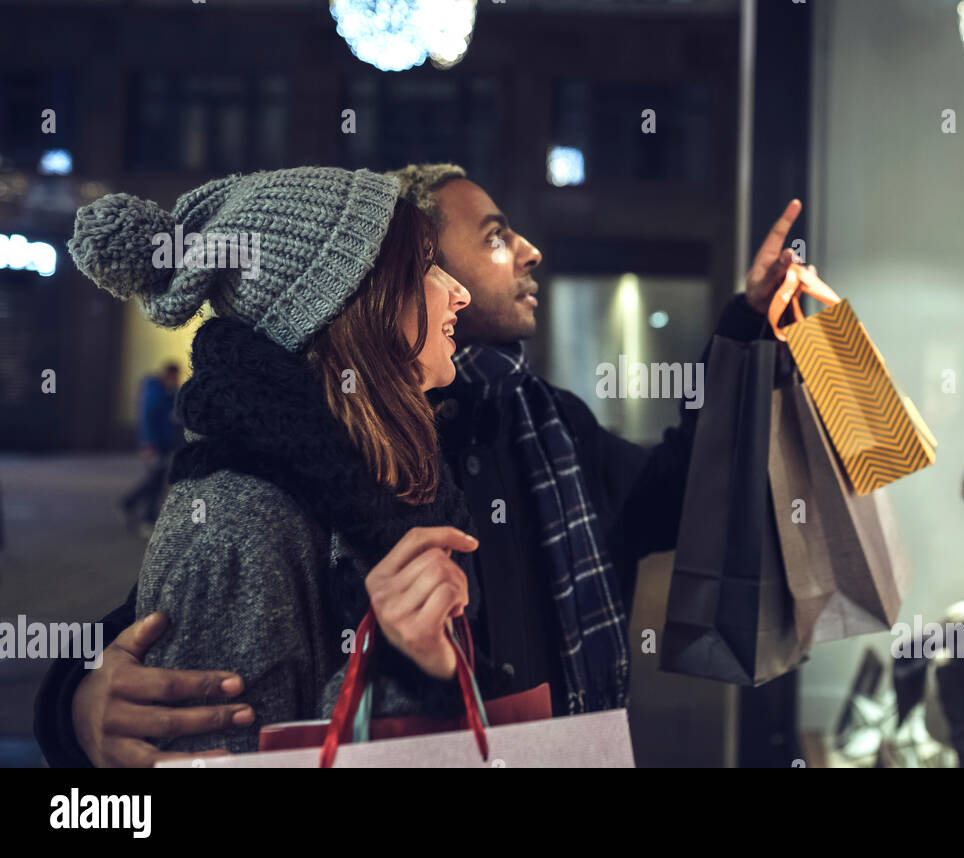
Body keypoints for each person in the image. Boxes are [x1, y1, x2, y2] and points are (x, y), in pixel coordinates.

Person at [36, 162, 803, 766]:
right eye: (494, 236)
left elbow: (669, 499)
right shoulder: (331, 450)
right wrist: (76, 698)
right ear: (372, 286)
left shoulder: (541, 420)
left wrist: (744, 327)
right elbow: (190, 629)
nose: (530, 250)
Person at [48, 166, 478, 758]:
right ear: (349, 305)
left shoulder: (396, 469)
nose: (460, 291)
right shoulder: (239, 523)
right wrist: (396, 675)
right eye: (426, 265)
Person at [119, 361, 182, 536]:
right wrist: (149, 444)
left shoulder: (165, 392)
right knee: (155, 480)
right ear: (167, 375)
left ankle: (132, 503)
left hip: (163, 443)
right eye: (174, 377)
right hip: (155, 444)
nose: (176, 380)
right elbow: (148, 419)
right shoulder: (154, 392)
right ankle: (145, 515)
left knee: (156, 479)